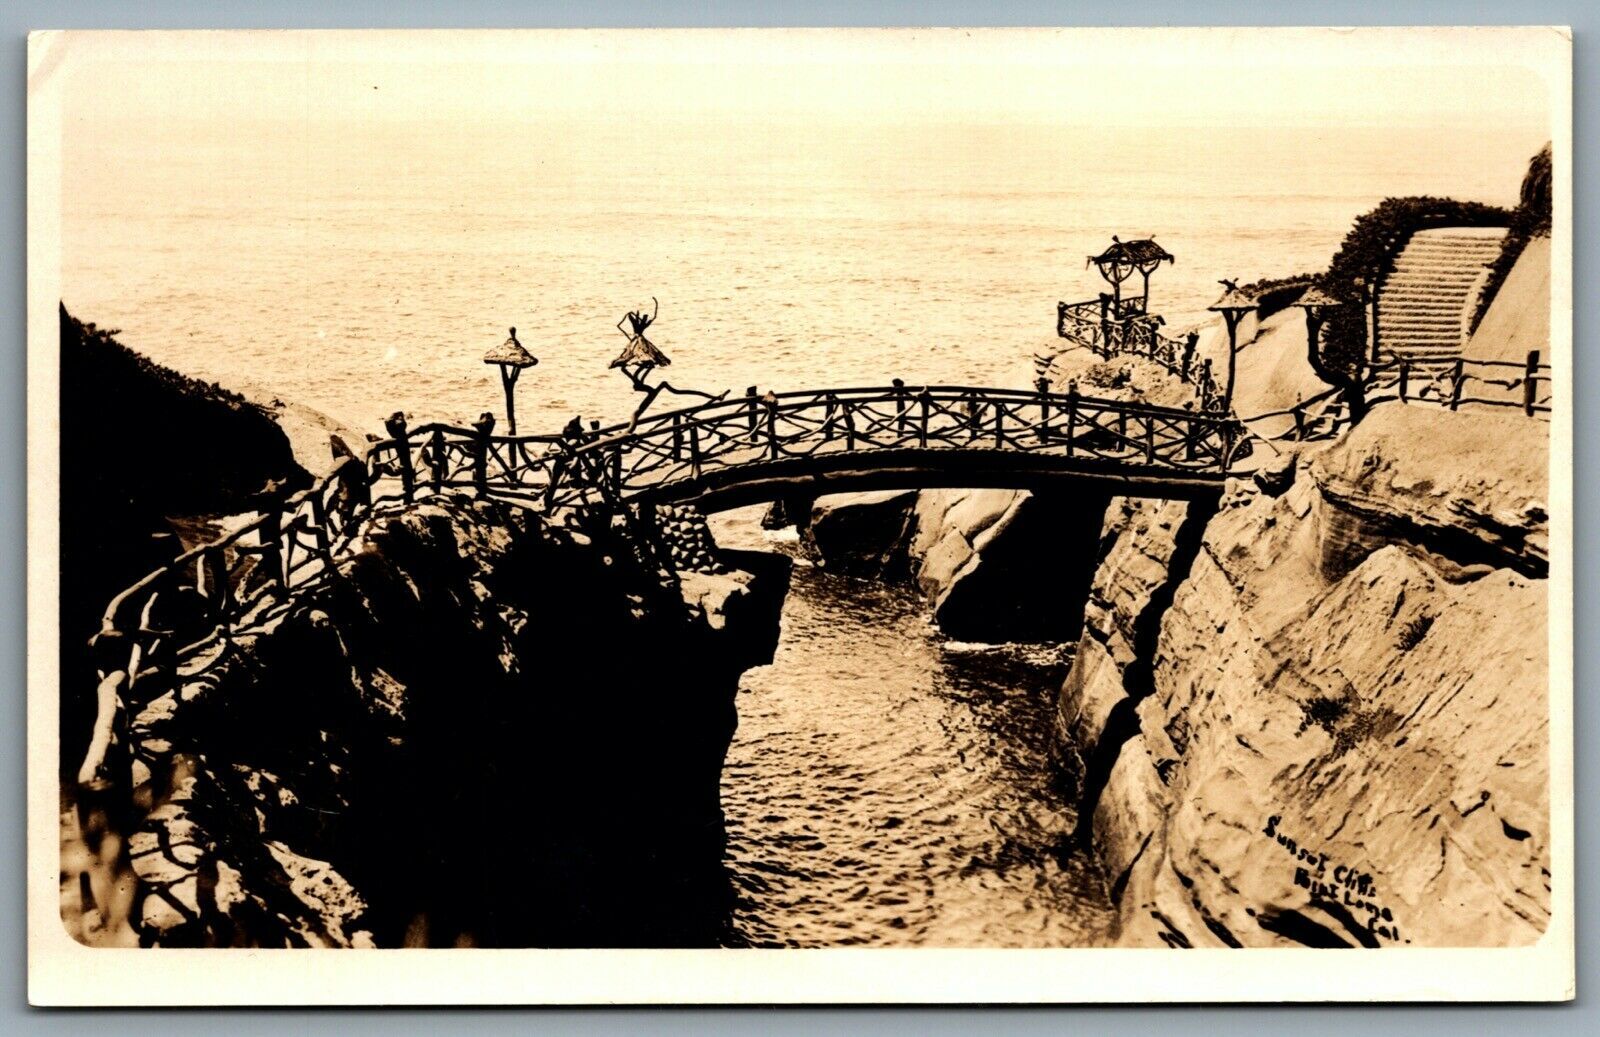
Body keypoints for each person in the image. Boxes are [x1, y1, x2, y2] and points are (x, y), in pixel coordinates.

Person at [609, 298, 727, 434]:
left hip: (647, 390)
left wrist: (642, 369)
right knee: (638, 414)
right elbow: (630, 371)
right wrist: (642, 369)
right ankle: (714, 397)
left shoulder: (638, 382)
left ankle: (714, 397)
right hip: (646, 394)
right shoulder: (638, 382)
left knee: (670, 389)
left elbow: (630, 371)